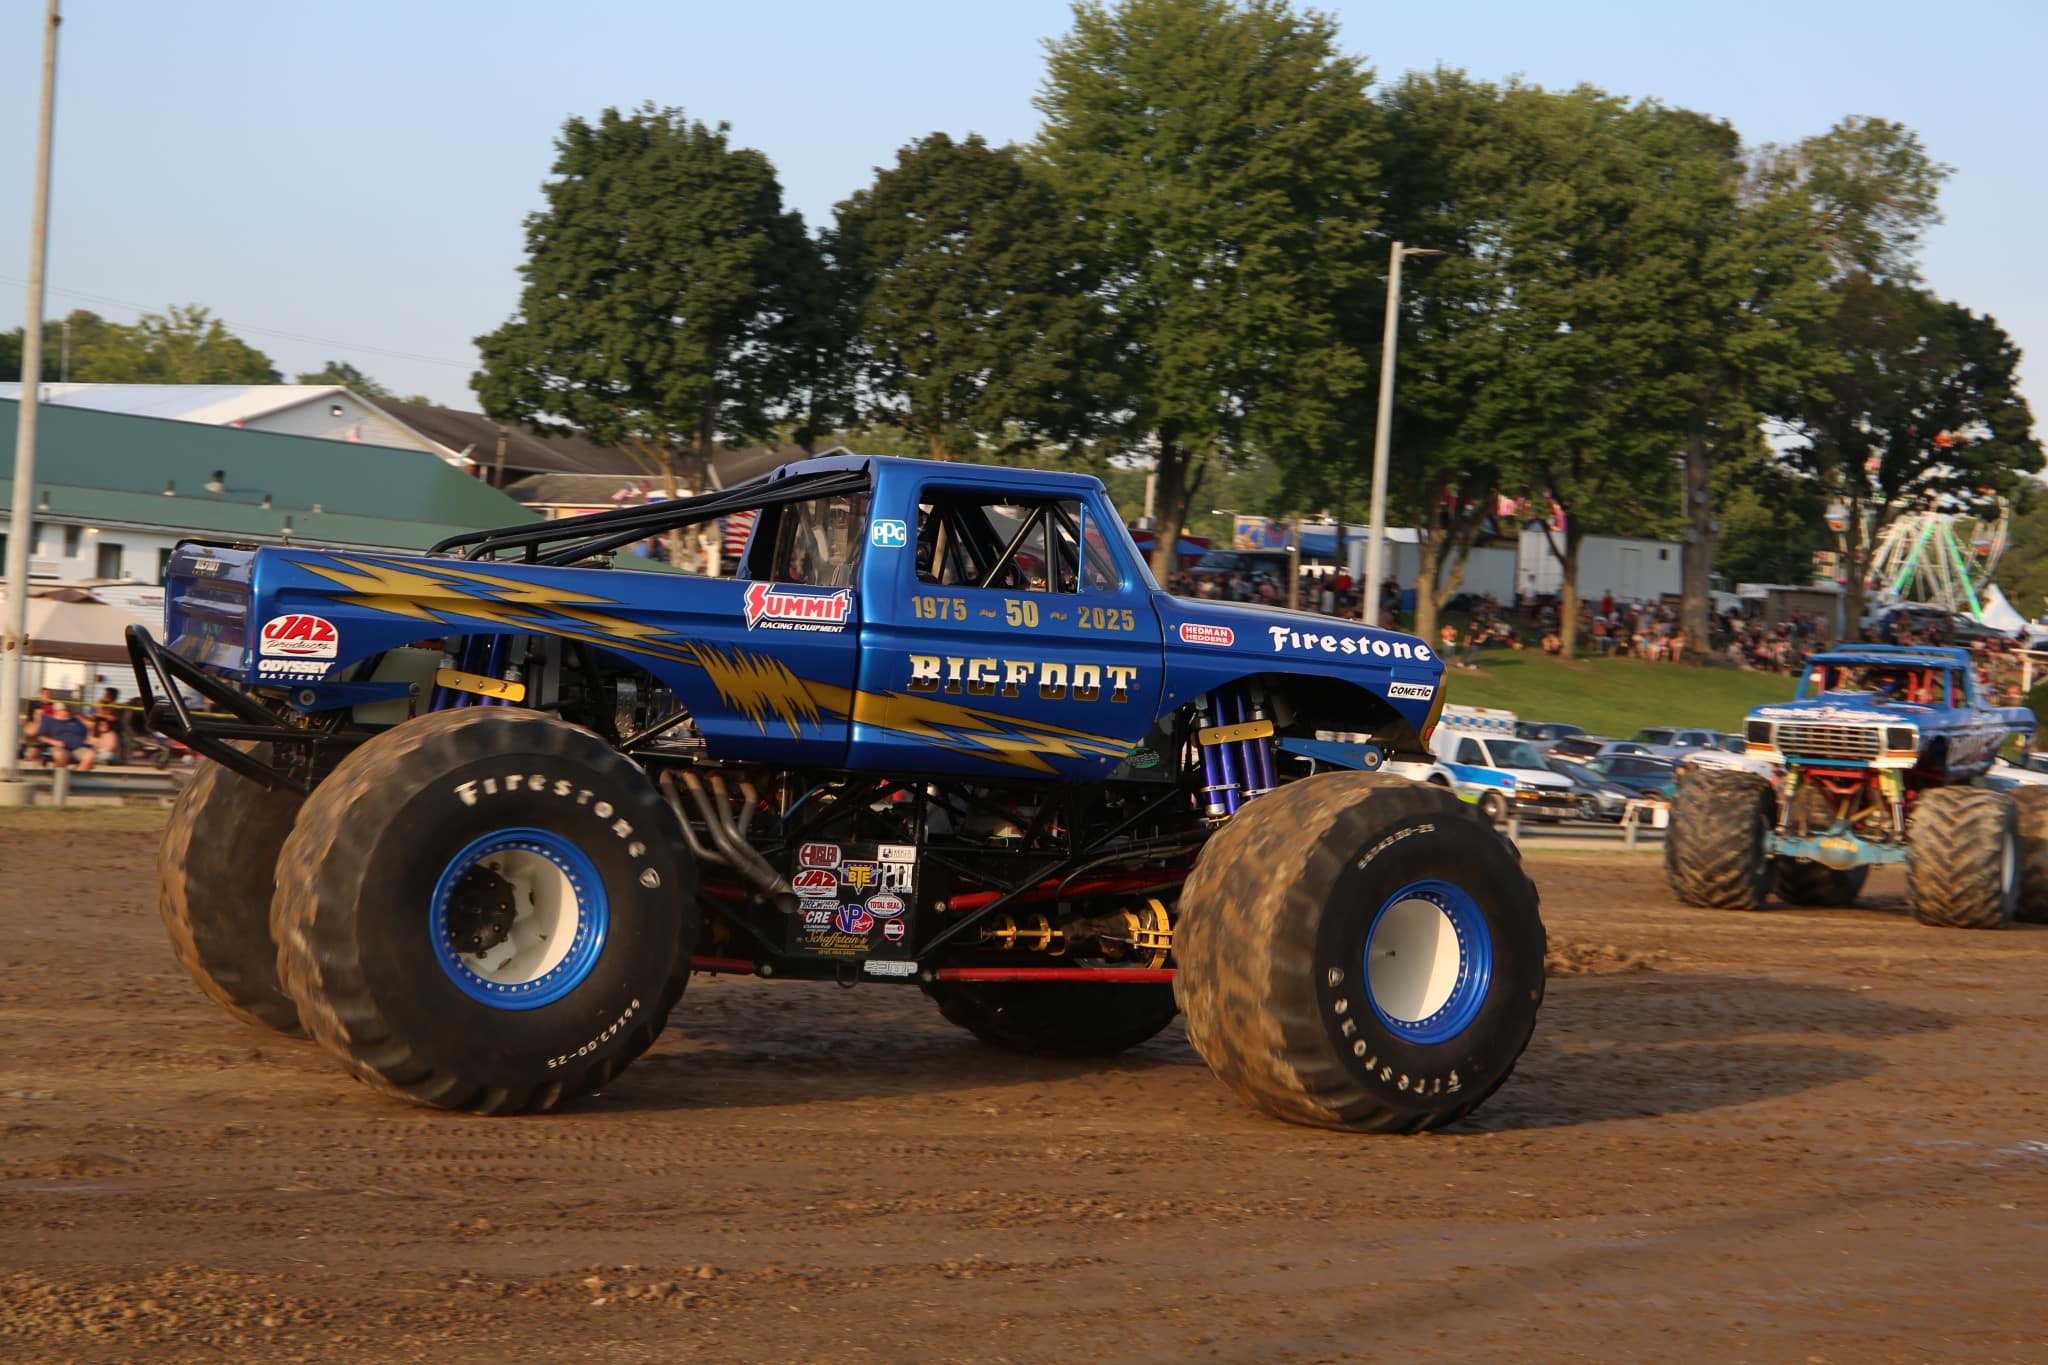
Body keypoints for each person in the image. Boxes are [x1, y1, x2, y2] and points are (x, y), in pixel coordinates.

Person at [34, 698, 95, 771]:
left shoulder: (76, 720)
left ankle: (75, 777)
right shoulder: (48, 720)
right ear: (57, 711)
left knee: (90, 755)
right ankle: (60, 779)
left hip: (78, 748)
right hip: (59, 747)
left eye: (68, 710)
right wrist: (54, 742)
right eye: (64, 710)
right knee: (59, 755)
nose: (67, 712)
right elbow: (41, 737)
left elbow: (86, 732)